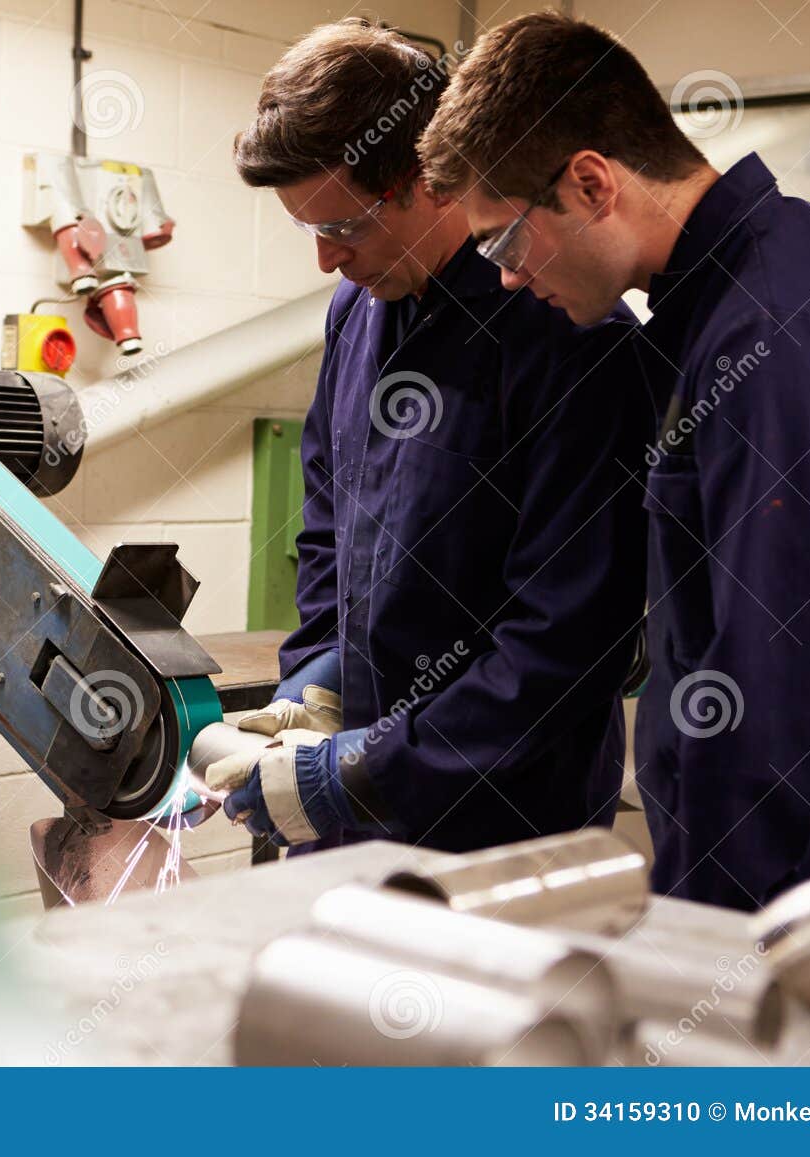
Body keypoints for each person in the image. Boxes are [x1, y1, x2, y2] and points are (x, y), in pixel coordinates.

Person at [419, 11, 810, 908]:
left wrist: (702, 945)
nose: (503, 275)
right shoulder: (741, 301)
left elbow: (780, 701)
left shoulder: (773, 342)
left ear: (590, 183)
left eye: (503, 239)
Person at [207, 19, 654, 854]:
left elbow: (562, 644)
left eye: (342, 229)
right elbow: (327, 530)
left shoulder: (569, 334)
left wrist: (368, 771)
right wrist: (318, 688)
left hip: (503, 827)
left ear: (431, 179)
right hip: (351, 801)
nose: (326, 263)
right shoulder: (359, 311)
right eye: (310, 231)